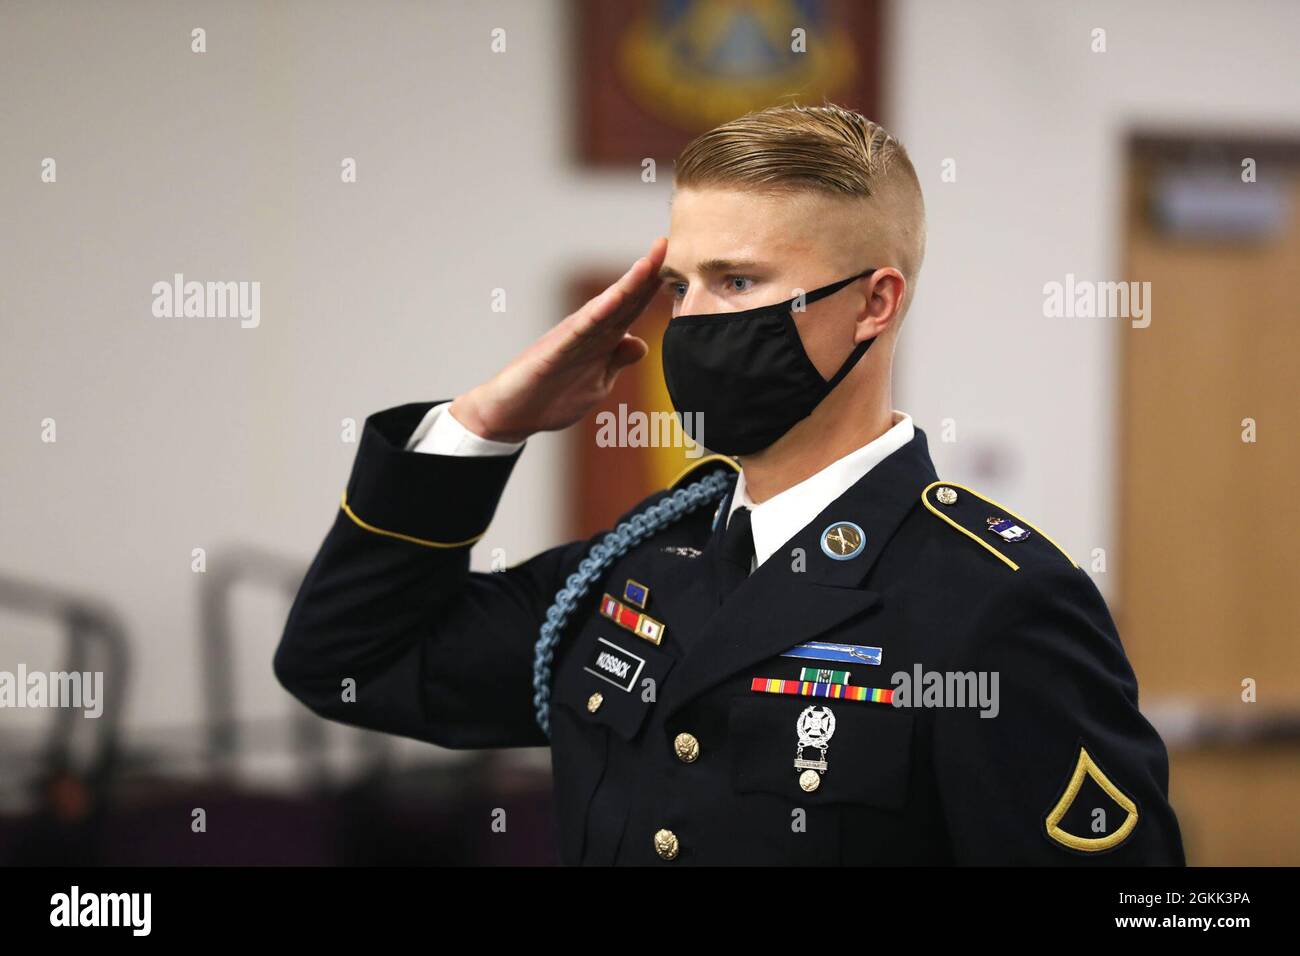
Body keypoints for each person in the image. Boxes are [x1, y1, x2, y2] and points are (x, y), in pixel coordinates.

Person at [274, 103, 1184, 865]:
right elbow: (350, 661)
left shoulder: (991, 603)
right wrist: (481, 429)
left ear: (874, 303)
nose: (695, 323)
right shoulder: (646, 561)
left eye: (738, 281)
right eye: (680, 288)